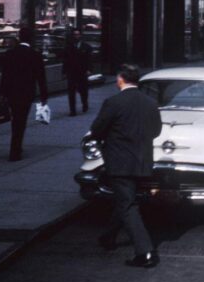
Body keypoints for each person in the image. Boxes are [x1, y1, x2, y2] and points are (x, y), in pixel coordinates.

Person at [91, 64, 162, 268]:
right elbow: (156, 130)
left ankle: (145, 252)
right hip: (142, 161)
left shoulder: (113, 102)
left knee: (127, 204)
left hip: (119, 162)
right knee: (125, 200)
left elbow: (96, 130)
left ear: (120, 79)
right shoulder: (150, 102)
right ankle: (109, 237)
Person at [0, 27, 48, 161]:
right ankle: (16, 149)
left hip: (12, 93)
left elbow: (5, 75)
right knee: (21, 120)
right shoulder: (35, 54)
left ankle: (15, 148)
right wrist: (44, 95)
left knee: (15, 120)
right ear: (31, 38)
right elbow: (41, 77)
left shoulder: (10, 53)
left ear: (19, 37)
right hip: (26, 93)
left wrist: (2, 93)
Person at [63, 29, 93, 116]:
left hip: (82, 72)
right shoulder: (68, 47)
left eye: (78, 35)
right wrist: (64, 72)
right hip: (72, 72)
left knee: (83, 90)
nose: (76, 36)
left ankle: (85, 103)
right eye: (74, 35)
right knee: (71, 92)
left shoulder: (86, 47)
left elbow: (89, 59)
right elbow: (65, 60)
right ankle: (72, 110)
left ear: (80, 36)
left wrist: (89, 69)